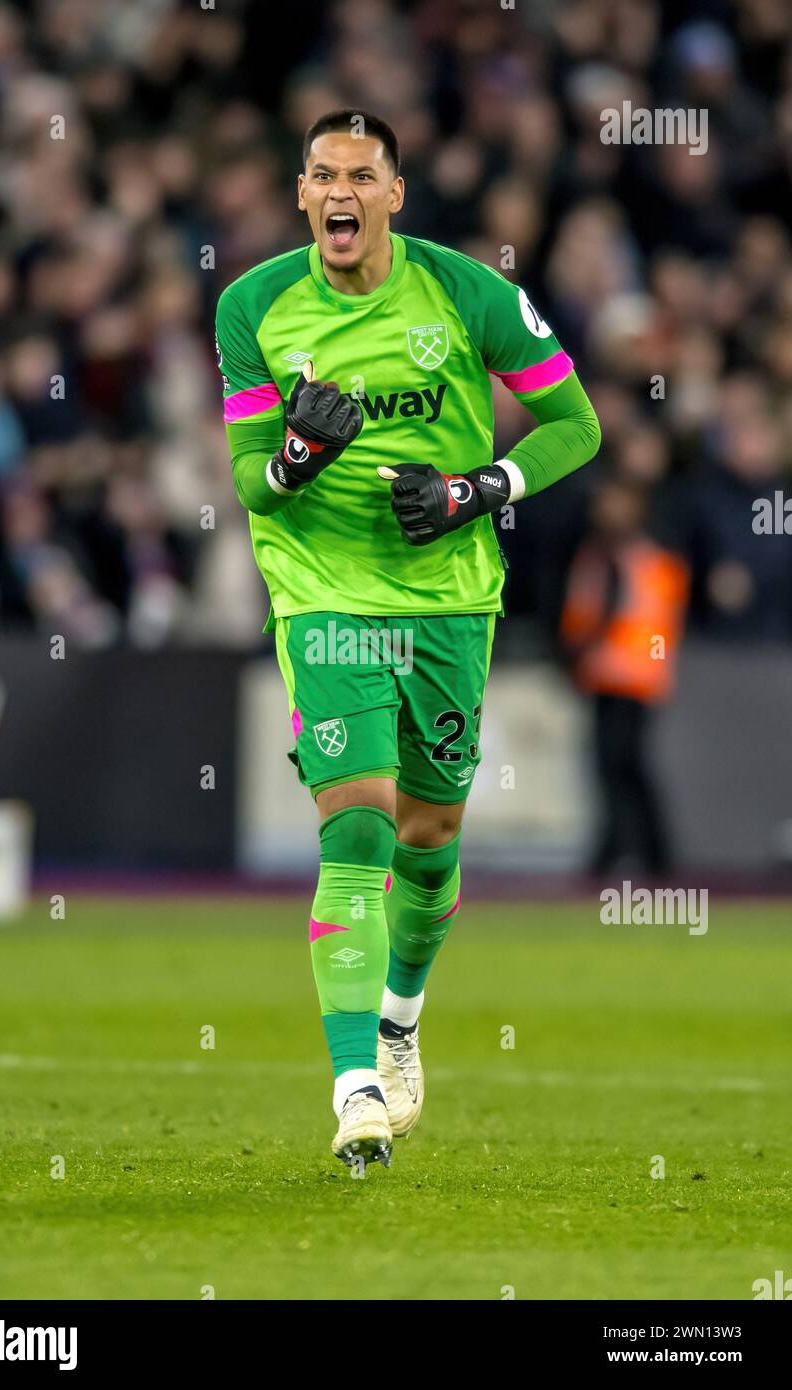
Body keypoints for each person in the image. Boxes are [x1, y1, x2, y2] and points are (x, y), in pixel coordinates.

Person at [216, 109, 601, 1169]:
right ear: (302, 193)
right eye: (321, 175)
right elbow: (251, 476)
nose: (340, 192)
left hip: (446, 599)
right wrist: (294, 457)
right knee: (358, 834)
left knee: (429, 837)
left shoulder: (466, 292)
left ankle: (397, 1019)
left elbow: (576, 424)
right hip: (324, 593)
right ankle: (353, 1093)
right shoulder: (251, 305)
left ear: (394, 193)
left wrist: (480, 488)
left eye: (362, 175)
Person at [559, 476, 690, 876]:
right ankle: (636, 853)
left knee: (621, 765)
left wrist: (579, 652)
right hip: (610, 677)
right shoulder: (614, 556)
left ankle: (636, 854)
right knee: (618, 767)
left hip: (628, 678)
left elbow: (609, 617)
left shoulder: (634, 559)